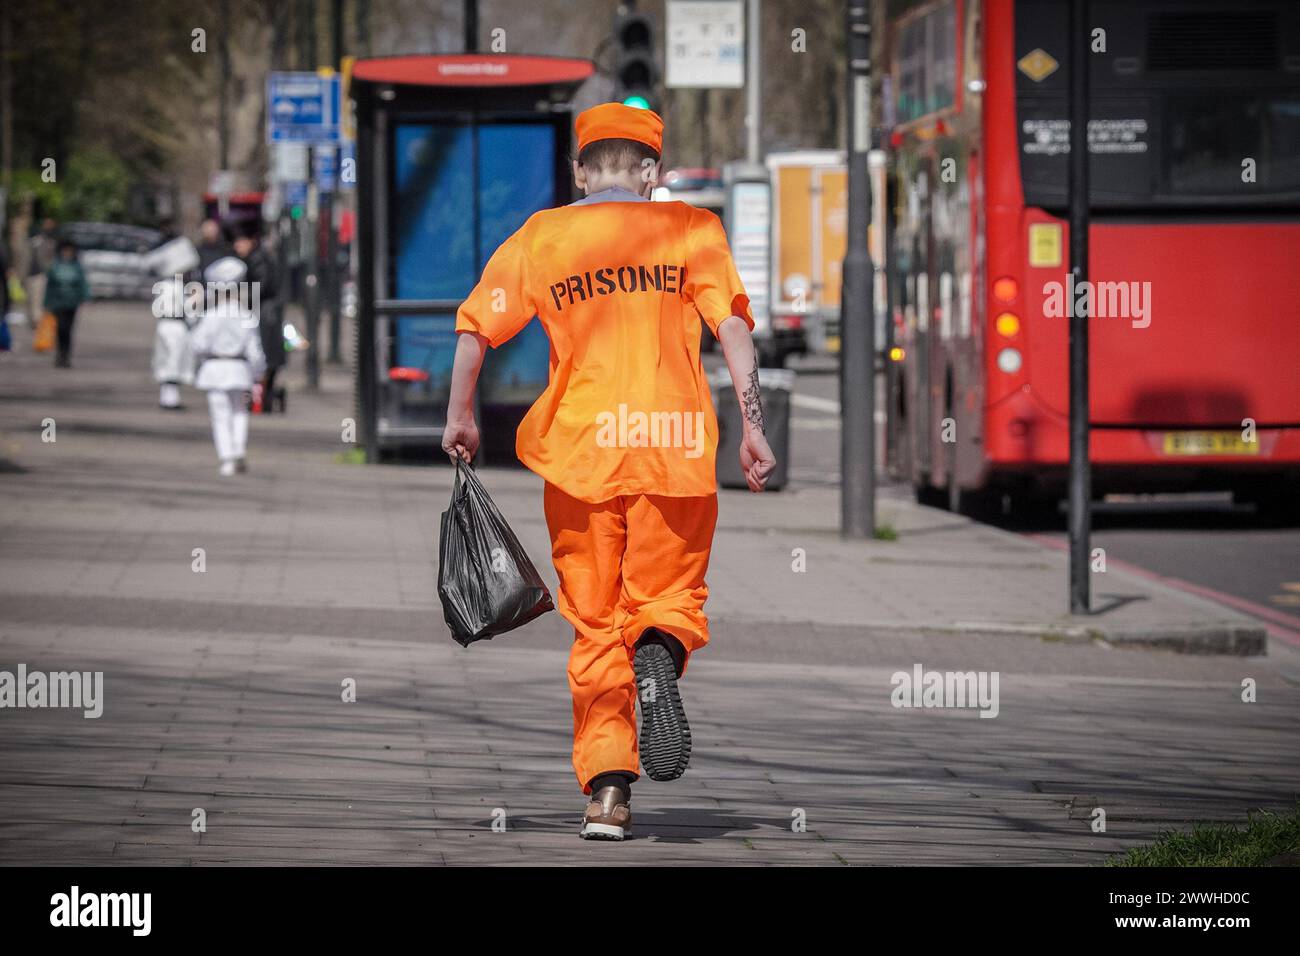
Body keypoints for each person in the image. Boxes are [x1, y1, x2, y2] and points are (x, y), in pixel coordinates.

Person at [443, 103, 776, 841]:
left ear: (579, 172)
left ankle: (608, 794)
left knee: (594, 625)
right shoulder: (692, 230)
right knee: (669, 598)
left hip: (582, 455)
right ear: (653, 173)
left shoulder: (545, 236)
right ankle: (659, 645)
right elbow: (734, 332)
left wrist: (461, 415)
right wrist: (754, 427)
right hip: (677, 449)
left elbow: (475, 330)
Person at [189, 256, 265, 477]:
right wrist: (259, 372)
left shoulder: (211, 316)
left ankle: (227, 458)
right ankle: (239, 449)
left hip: (214, 369)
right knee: (240, 412)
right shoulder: (246, 316)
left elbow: (197, 344)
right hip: (240, 370)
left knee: (220, 416)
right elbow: (255, 351)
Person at [233, 230, 283, 413]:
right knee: (267, 355)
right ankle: (261, 395)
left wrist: (240, 296)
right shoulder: (257, 258)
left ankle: (260, 396)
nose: (237, 246)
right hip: (266, 313)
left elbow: (260, 286)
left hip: (263, 314)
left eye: (240, 241)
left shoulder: (257, 260)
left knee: (262, 352)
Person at [42, 239, 90, 368]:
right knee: (60, 329)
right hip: (58, 303)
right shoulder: (55, 266)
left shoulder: (77, 267)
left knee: (68, 330)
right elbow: (50, 286)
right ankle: (60, 354)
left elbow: (82, 284)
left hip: (71, 303)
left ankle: (66, 355)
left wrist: (85, 297)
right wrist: (46, 303)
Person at [27, 217, 59, 329]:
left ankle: (38, 322)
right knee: (32, 299)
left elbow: (50, 259)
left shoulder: (52, 241)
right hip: (32, 273)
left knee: (39, 299)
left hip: (42, 274)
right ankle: (35, 320)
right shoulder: (37, 239)